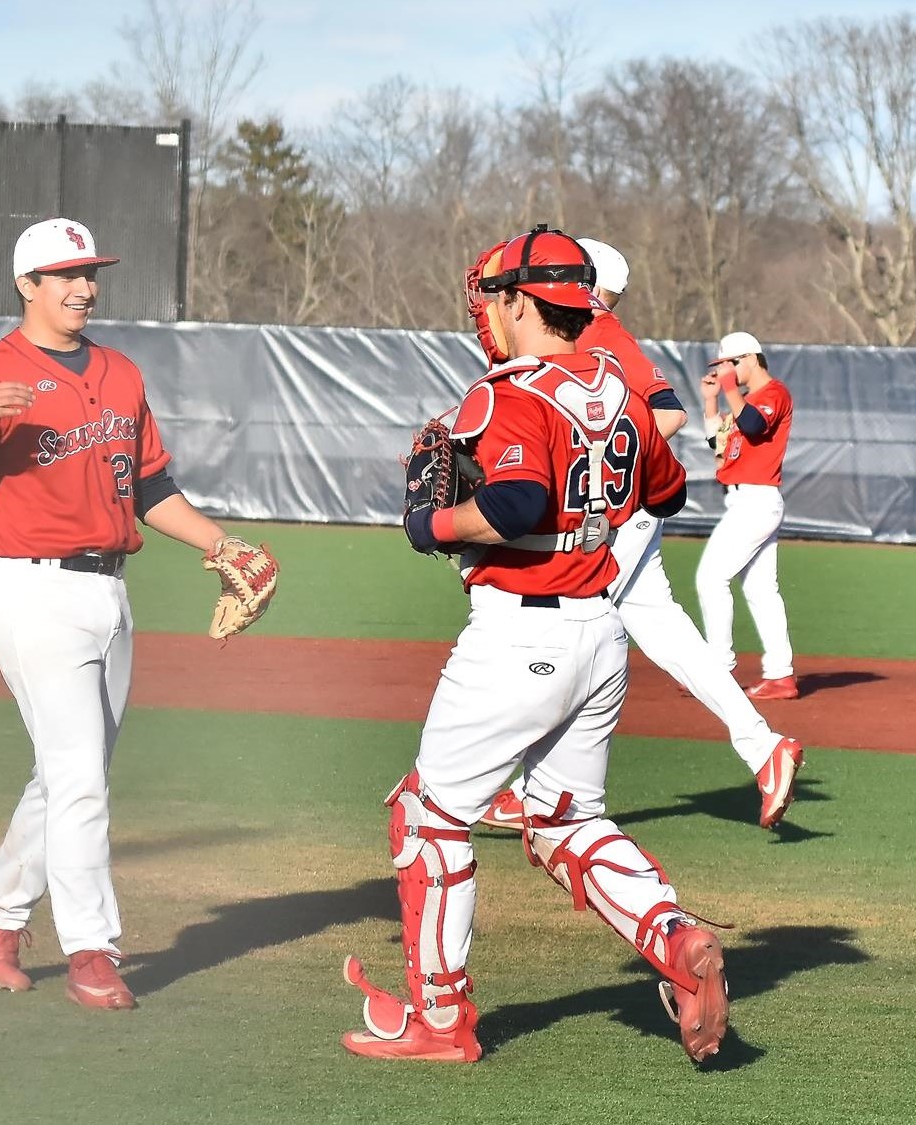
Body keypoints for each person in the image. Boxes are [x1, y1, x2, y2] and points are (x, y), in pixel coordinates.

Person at [341, 226, 729, 1066]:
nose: (490, 309)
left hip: (520, 635)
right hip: (601, 632)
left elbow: (513, 505)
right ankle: (672, 935)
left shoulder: (504, 394)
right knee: (562, 818)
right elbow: (669, 491)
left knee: (426, 814)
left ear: (520, 301)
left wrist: (429, 525)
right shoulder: (619, 386)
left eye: (496, 295)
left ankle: (440, 1020)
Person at [0, 217, 277, 1008]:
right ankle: (91, 949)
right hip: (32, 589)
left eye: (90, 273)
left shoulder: (120, 374)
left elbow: (148, 485)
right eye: (65, 274)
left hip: (110, 590)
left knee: (68, 775)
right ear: (27, 285)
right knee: (79, 775)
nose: (84, 287)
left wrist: (220, 545)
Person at [478, 238, 804, 832]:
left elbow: (669, 413)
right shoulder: (588, 330)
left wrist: (602, 462)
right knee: (666, 635)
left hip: (614, 515)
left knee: (566, 629)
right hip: (624, 513)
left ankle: (528, 788)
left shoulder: (595, 329)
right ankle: (764, 748)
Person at [694, 333, 800, 700]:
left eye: (732, 362)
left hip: (756, 501)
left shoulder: (774, 393)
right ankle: (780, 675)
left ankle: (718, 669)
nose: (726, 370)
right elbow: (718, 448)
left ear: (752, 358)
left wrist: (729, 393)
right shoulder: (746, 402)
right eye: (722, 364)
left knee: (710, 579)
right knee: (759, 589)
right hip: (744, 501)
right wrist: (711, 404)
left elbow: (754, 425)